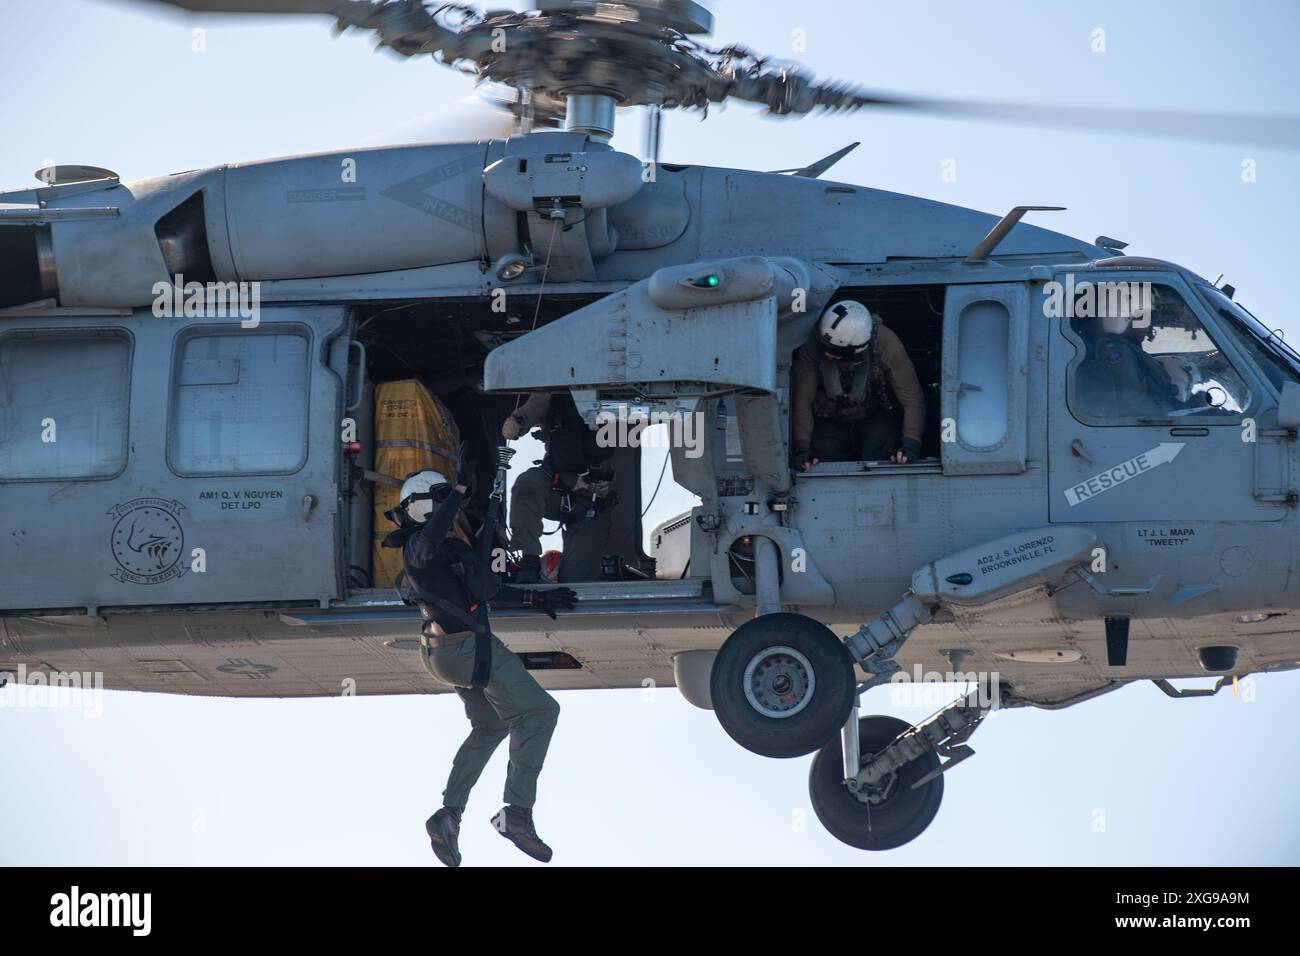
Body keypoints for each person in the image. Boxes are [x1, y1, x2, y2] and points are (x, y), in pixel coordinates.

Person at [383, 468, 577, 867]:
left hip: (445, 654)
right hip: (467, 650)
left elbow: (486, 591)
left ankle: (448, 814)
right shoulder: (421, 548)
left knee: (490, 726)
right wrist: (457, 490)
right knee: (540, 713)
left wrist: (535, 599)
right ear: (424, 505)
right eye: (439, 500)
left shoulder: (444, 551)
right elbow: (430, 541)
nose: (446, 507)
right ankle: (517, 815)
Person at [791, 300, 926, 469]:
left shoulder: (887, 345)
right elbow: (803, 401)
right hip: (828, 415)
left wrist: (911, 443)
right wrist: (802, 447)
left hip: (874, 413)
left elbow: (912, 399)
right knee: (826, 460)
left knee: (880, 457)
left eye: (833, 351)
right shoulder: (812, 345)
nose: (826, 353)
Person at [503, 392, 616, 583]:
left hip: (592, 501)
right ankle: (528, 560)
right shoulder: (554, 389)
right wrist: (518, 421)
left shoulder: (614, 392)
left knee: (578, 583)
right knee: (528, 483)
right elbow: (534, 407)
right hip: (555, 486)